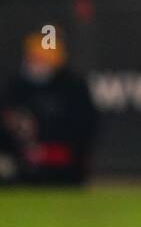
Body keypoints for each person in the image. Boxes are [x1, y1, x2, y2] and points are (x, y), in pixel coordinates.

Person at [1, 29, 98, 185]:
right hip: (22, 166)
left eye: (41, 59)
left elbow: (84, 129)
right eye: (33, 58)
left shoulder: (72, 88)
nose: (36, 63)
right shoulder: (16, 88)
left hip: (64, 169)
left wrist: (47, 152)